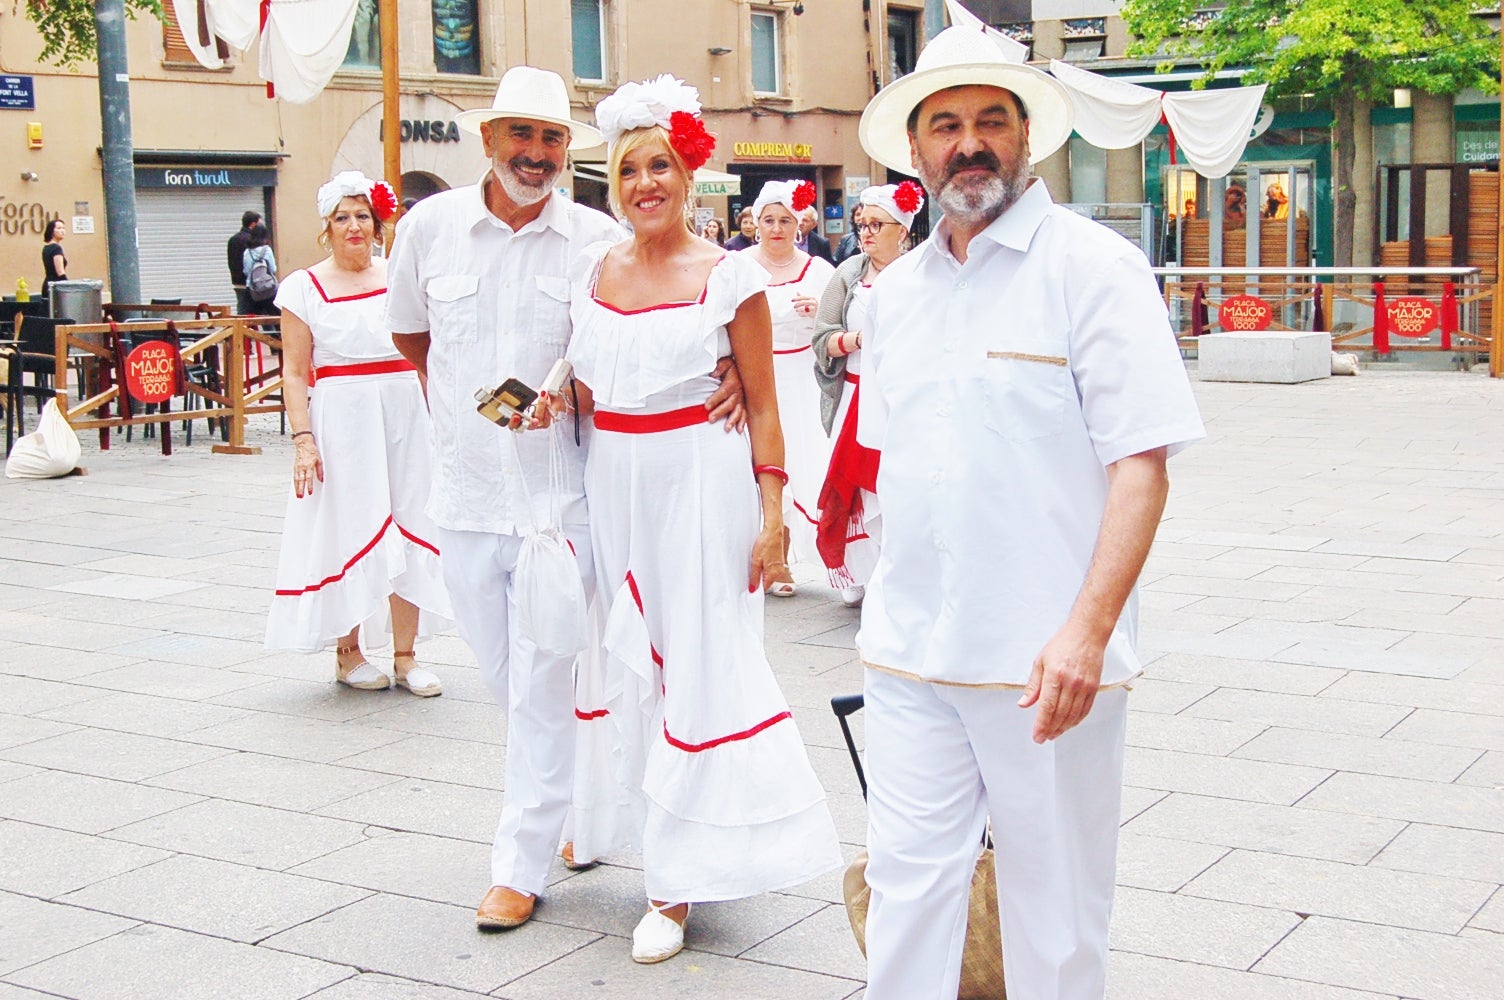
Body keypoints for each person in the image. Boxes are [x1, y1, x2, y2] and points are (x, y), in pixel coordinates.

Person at [852, 25, 1204, 999]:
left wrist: (1086, 633)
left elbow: (1142, 464)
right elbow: (904, 466)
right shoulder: (894, 295)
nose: (969, 144)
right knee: (908, 896)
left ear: (1026, 139)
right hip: (909, 652)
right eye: (947, 126)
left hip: (1048, 665)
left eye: (990, 123)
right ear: (915, 151)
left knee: (1053, 918)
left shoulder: (1094, 269)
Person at [386, 66, 745, 933]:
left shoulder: (592, 239)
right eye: (523, 136)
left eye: (552, 140)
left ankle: (519, 865)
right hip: (467, 502)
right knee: (514, 683)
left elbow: (649, 322)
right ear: (488, 140)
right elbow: (410, 334)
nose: (537, 155)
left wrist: (723, 364)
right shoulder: (430, 229)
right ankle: (582, 811)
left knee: (544, 683)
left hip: (565, 507)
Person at [563, 73, 841, 967]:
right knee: (628, 657)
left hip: (700, 482)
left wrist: (774, 517)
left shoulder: (729, 277)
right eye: (629, 170)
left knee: (701, 662)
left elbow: (764, 404)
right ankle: (646, 835)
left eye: (661, 166)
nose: (646, 183)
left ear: (688, 174)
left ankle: (676, 883)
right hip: (614, 481)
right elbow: (581, 381)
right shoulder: (593, 272)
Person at [264, 172, 450, 698]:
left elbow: (428, 352)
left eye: (362, 216)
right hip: (343, 418)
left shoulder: (399, 276)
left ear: (377, 224)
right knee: (351, 525)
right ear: (327, 227)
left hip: (403, 412)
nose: (354, 226)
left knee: (411, 517)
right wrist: (304, 439)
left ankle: (407, 654)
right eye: (342, 217)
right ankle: (348, 654)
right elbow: (296, 372)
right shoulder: (304, 287)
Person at [811, 181, 923, 609]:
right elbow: (822, 337)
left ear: (903, 230)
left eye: (878, 224)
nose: (867, 233)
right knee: (852, 489)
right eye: (862, 225)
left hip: (901, 402)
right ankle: (856, 572)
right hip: (854, 399)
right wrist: (859, 338)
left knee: (893, 489)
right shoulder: (848, 274)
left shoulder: (920, 275)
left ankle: (897, 576)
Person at [737, 179, 835, 597]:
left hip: (804, 379)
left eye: (785, 220)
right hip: (758, 379)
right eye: (769, 220)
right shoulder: (738, 268)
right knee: (760, 467)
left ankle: (834, 555)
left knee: (809, 464)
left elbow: (841, 324)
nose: (777, 228)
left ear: (799, 225)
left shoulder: (818, 270)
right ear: (756, 223)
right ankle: (773, 561)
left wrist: (818, 315)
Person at [242, 222, 280, 317]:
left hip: (252, 289)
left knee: (251, 317)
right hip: (268, 288)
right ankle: (274, 332)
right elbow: (273, 269)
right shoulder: (267, 250)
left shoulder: (247, 252)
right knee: (275, 316)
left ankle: (250, 332)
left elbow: (246, 271)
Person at [228, 211, 261, 313]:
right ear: (253, 224)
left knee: (242, 312)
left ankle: (240, 329)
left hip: (237, 281)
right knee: (263, 312)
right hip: (252, 282)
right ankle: (272, 330)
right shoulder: (252, 240)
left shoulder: (233, 239)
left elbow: (230, 260)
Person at [41, 219, 67, 300]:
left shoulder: (46, 248)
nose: (62, 231)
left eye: (63, 228)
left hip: (47, 284)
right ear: (51, 231)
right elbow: (60, 272)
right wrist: (68, 285)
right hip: (55, 287)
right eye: (59, 228)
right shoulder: (56, 248)